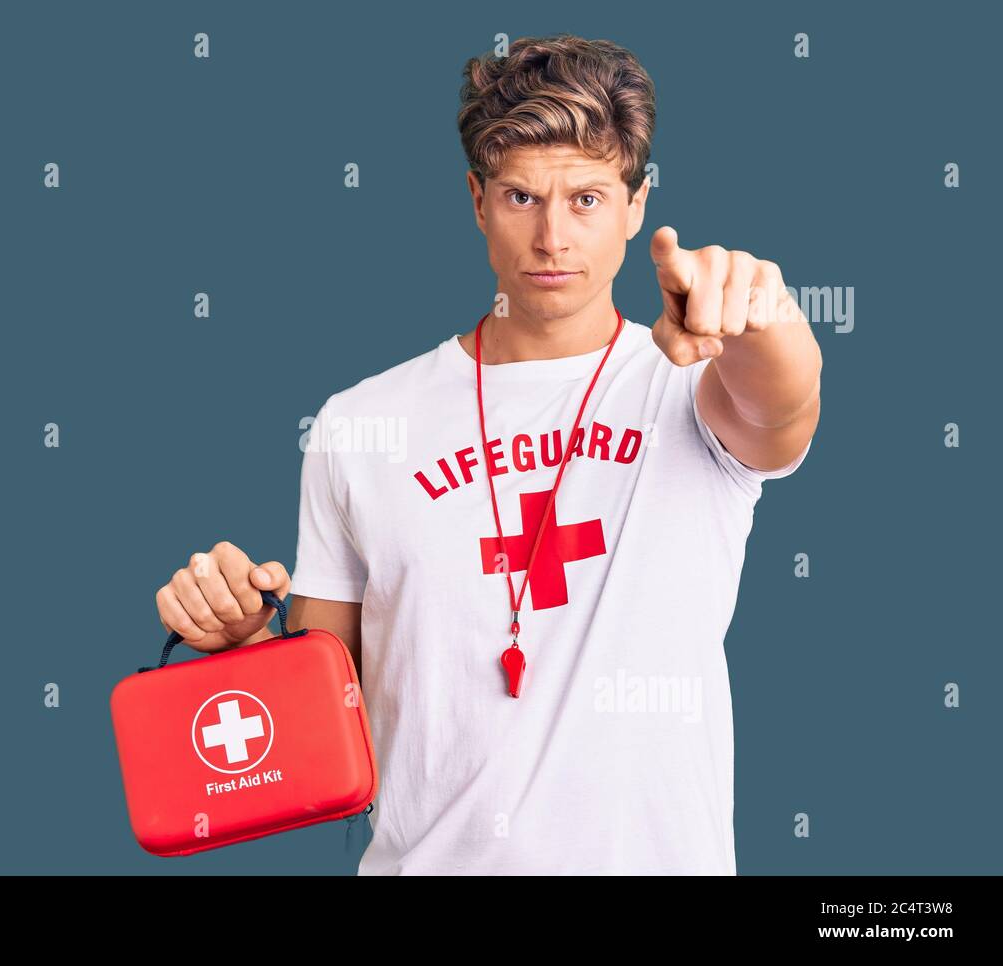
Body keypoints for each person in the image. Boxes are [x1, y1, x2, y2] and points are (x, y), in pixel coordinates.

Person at [154, 33, 822, 875]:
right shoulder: (360, 423)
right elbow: (335, 742)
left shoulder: (693, 382)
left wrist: (761, 322)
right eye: (520, 197)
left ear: (636, 203)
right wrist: (242, 644)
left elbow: (784, 405)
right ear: (476, 199)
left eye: (585, 199)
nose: (552, 238)